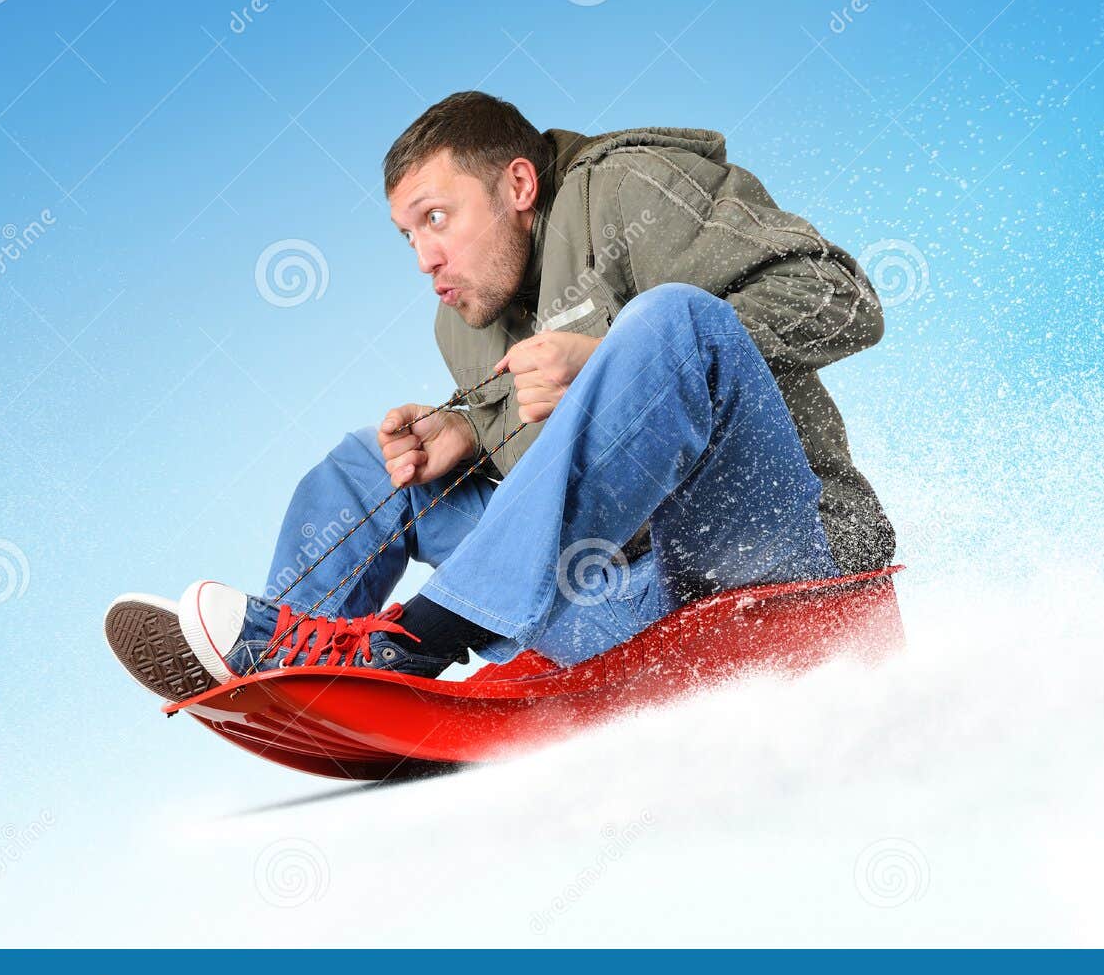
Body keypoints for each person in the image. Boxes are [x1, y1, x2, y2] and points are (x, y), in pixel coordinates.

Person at [104, 92, 896, 700]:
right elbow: (563, 467)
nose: (423, 257)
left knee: (671, 320)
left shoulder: (628, 191)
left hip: (763, 561)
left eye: (436, 218)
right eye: (408, 235)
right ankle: (294, 667)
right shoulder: (463, 323)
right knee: (373, 463)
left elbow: (844, 299)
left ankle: (417, 638)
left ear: (518, 184)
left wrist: (608, 358)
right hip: (621, 600)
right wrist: (467, 431)